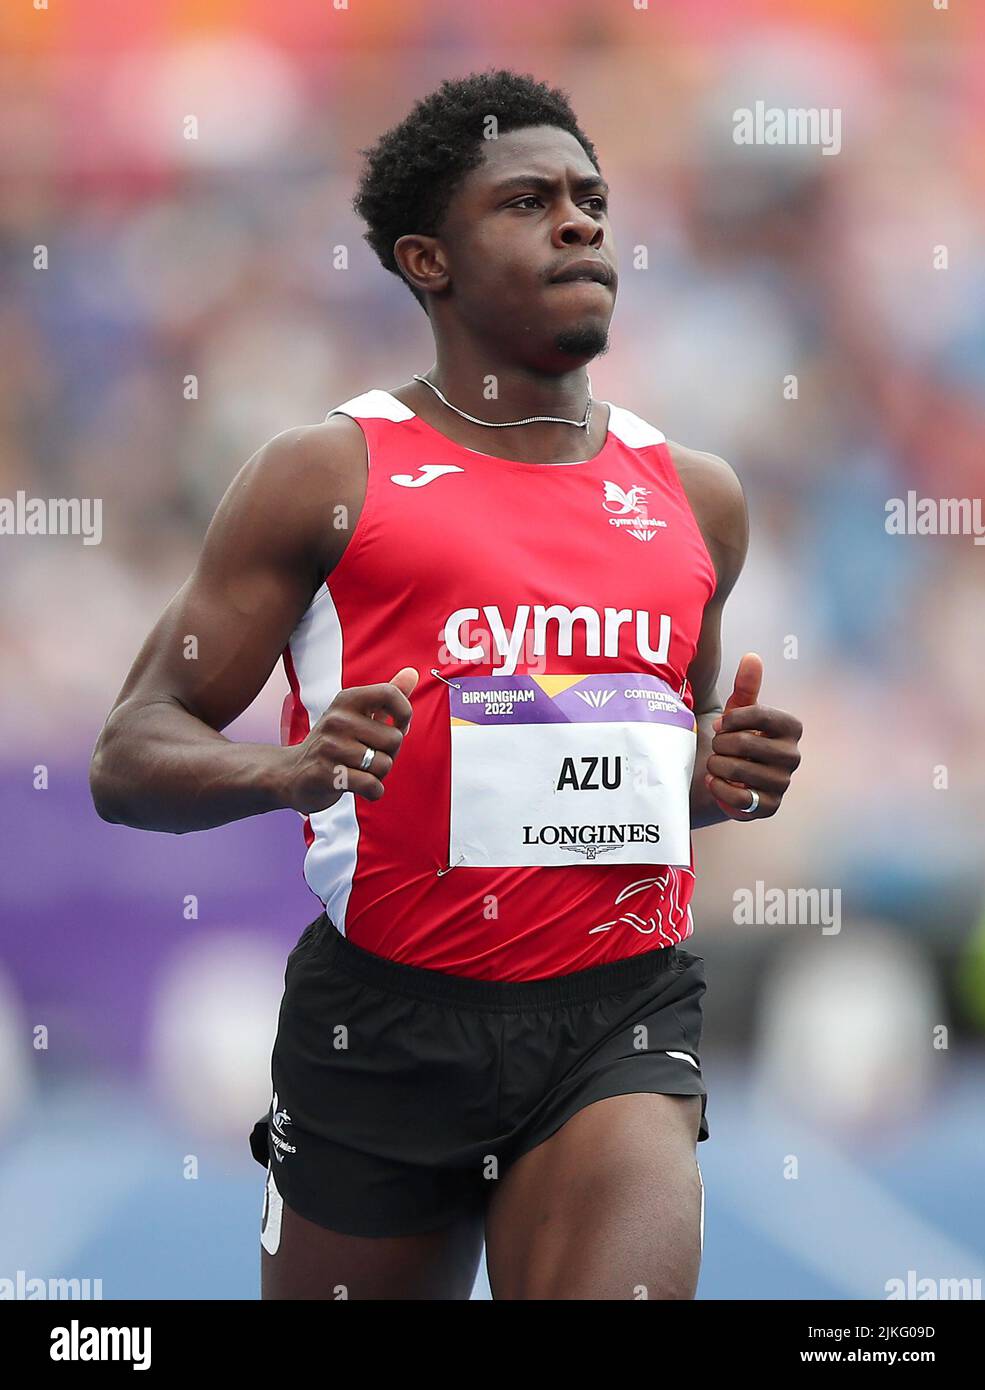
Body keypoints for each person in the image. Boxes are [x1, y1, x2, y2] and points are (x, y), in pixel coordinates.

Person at [89, 69, 803, 1300]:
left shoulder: (696, 497)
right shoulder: (323, 475)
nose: (581, 222)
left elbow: (645, 777)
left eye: (591, 198)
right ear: (428, 259)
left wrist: (716, 777)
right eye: (529, 201)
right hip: (383, 1026)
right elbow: (126, 756)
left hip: (616, 1016)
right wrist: (288, 769)